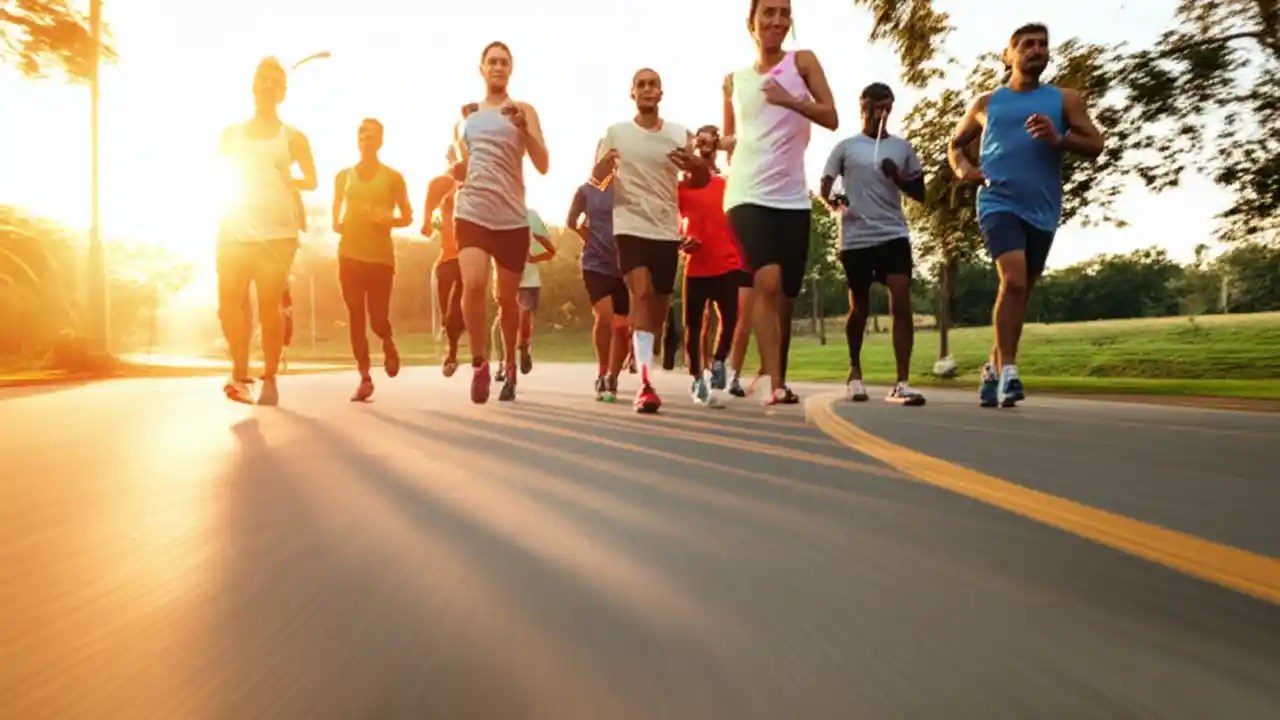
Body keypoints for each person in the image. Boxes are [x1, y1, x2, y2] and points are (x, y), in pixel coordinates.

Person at [949, 22, 1104, 407]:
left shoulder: (1065, 100)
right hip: (997, 201)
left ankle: (990, 368)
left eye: (1043, 45)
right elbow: (956, 144)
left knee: (1020, 291)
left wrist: (1059, 139)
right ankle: (1010, 374)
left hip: (1043, 208)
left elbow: (1096, 143)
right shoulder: (987, 103)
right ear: (1009, 56)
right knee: (1014, 281)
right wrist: (965, 169)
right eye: (1027, 45)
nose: (1037, 50)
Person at [721, 0, 838, 406]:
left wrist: (790, 100)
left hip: (792, 197)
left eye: (784, 13)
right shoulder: (733, 80)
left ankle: (778, 375)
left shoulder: (802, 62)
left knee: (786, 296)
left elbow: (830, 116)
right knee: (765, 282)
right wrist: (710, 149)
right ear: (750, 23)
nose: (776, 20)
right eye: (767, 12)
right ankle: (775, 387)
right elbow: (731, 140)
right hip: (746, 193)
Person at [592, 68, 710, 414]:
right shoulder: (616, 133)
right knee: (640, 292)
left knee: (655, 309)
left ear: (661, 93)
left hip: (664, 230)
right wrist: (603, 168)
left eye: (652, 84)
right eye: (640, 85)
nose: (647, 89)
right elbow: (596, 181)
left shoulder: (678, 134)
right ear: (633, 93)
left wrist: (694, 164)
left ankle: (642, 354)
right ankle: (645, 385)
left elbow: (701, 179)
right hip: (629, 225)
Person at [453, 41, 550, 403]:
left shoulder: (522, 110)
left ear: (511, 69)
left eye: (504, 62)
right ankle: (479, 363)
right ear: (481, 68)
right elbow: (460, 165)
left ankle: (509, 363)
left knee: (507, 301)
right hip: (472, 211)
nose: (498, 67)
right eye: (491, 61)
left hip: (511, 218)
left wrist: (524, 129)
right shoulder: (467, 115)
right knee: (474, 284)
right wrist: (456, 167)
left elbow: (542, 163)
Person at [216, 57, 316, 405]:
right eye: (262, 79)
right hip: (234, 228)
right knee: (228, 300)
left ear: (283, 92)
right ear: (253, 86)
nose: (268, 85)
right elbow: (218, 174)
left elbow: (312, 180)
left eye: (275, 81)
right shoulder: (231, 134)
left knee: (268, 304)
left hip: (277, 232)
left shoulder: (294, 137)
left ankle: (270, 376)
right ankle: (240, 373)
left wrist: (292, 179)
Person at [820, 83, 927, 406]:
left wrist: (899, 179)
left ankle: (902, 382)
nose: (879, 114)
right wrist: (838, 202)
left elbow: (920, 194)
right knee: (860, 306)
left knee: (901, 297)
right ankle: (855, 372)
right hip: (856, 237)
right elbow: (825, 189)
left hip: (893, 233)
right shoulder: (845, 147)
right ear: (862, 107)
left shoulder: (902, 148)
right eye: (873, 108)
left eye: (885, 108)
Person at [332, 118, 413, 402]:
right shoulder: (343, 177)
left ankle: (388, 343)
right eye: (362, 136)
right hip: (350, 256)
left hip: (380, 259)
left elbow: (407, 216)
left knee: (377, 318)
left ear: (380, 142)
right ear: (357, 141)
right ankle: (364, 376)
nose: (366, 141)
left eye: (372, 136)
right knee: (355, 315)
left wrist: (386, 219)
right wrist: (338, 223)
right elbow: (335, 217)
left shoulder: (393, 178)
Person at [678, 125, 747, 404]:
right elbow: (669, 225)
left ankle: (719, 363)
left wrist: (722, 144)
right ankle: (697, 379)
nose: (702, 149)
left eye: (708, 143)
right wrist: (681, 240)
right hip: (696, 267)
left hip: (727, 264)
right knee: (693, 327)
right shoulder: (679, 190)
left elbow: (742, 152)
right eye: (698, 144)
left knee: (730, 318)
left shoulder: (724, 183)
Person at [567, 166, 630, 402]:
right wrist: (589, 238)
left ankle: (613, 376)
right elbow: (571, 221)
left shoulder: (631, 191)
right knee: (605, 316)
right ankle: (603, 370)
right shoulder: (586, 191)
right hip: (595, 264)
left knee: (622, 326)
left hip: (625, 266)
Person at [495, 209, 555, 381]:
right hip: (504, 278)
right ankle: (503, 363)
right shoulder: (495, 213)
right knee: (504, 321)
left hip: (528, 280)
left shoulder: (531, 216)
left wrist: (533, 259)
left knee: (523, 318)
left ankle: (523, 347)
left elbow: (551, 249)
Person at [422, 146, 465, 377]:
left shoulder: (475, 185)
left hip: (467, 257)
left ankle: (452, 352)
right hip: (447, 257)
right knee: (447, 313)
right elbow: (433, 192)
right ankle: (453, 333)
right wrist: (426, 220)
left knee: (455, 308)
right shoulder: (444, 187)